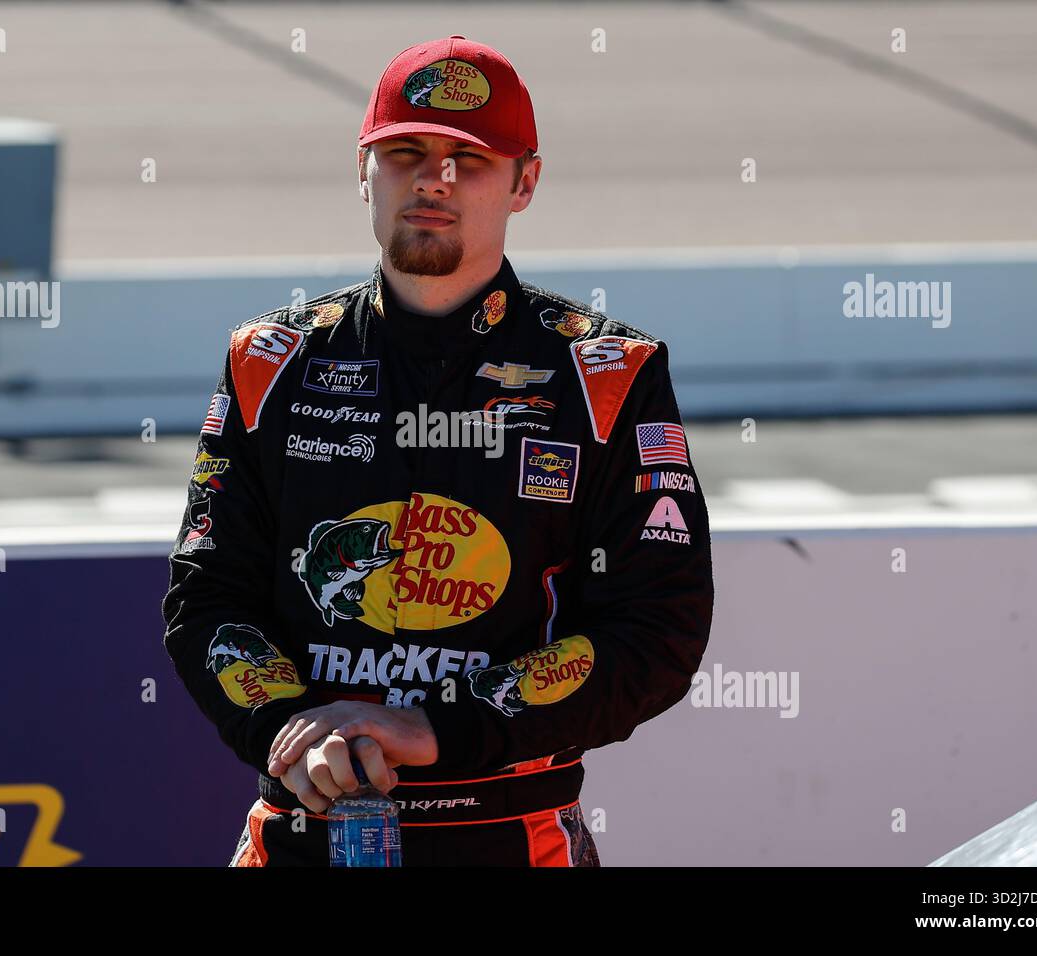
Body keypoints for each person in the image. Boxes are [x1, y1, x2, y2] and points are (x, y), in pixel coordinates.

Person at [162, 34, 714, 866]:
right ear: (364, 171)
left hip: (509, 836)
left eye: (471, 159)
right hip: (303, 830)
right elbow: (208, 599)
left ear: (525, 182)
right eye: (406, 152)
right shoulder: (269, 361)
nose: (433, 179)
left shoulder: (606, 373)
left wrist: (436, 728)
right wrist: (286, 728)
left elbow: (659, 627)